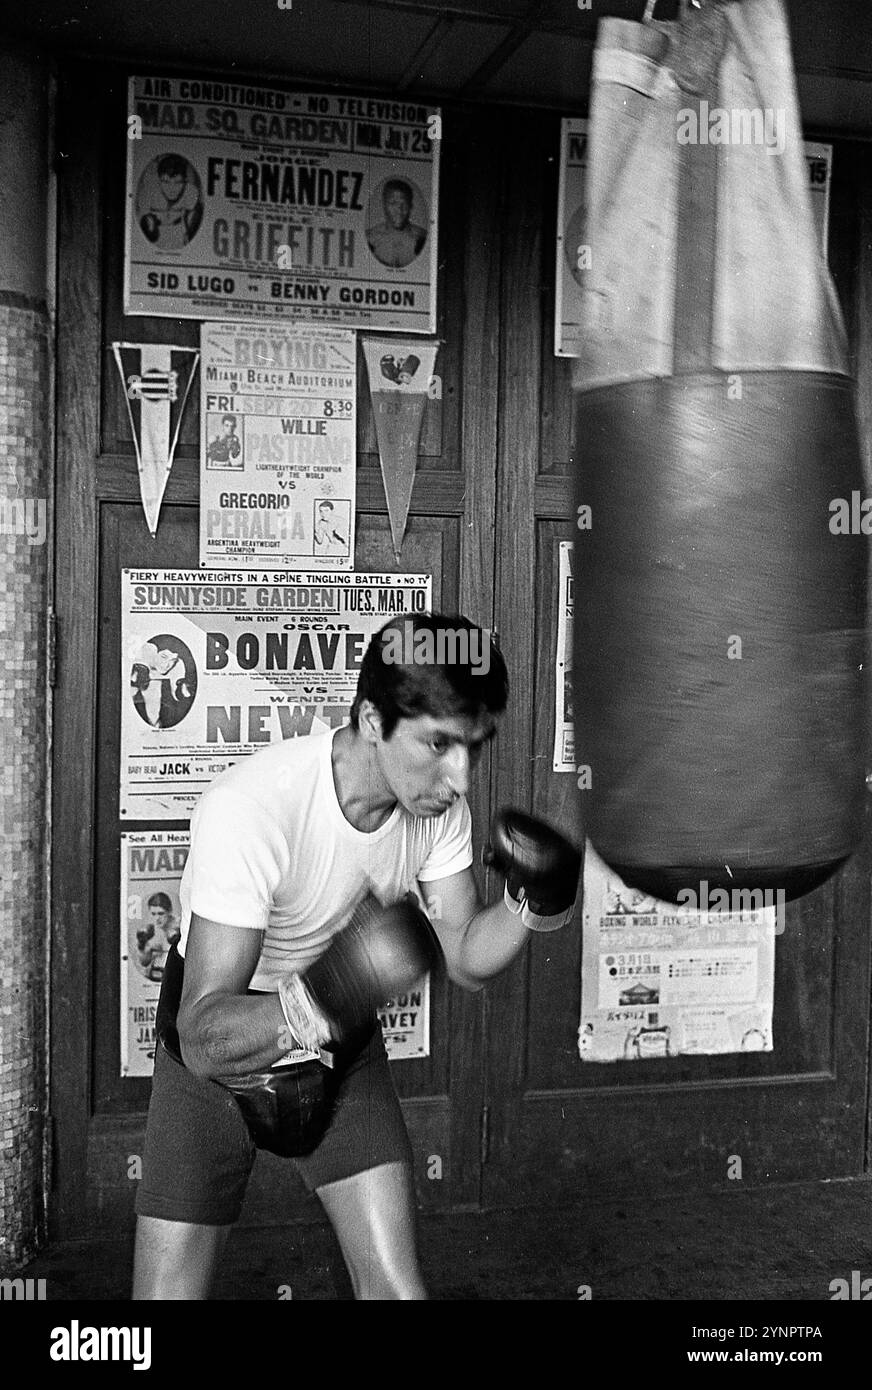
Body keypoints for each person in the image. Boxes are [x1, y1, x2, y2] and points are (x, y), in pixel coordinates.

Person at [132, 613, 580, 1300]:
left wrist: (532, 903)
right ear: (372, 719)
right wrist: (325, 995)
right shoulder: (254, 808)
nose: (459, 777)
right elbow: (202, 1038)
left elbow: (464, 955)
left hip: (339, 1054)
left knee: (397, 1292)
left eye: (473, 748)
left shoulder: (436, 813)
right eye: (438, 744)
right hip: (219, 1067)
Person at [139, 154, 203, 250]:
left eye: (178, 182)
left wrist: (188, 234)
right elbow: (142, 219)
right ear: (159, 180)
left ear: (185, 181)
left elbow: (192, 219)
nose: (171, 189)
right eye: (166, 182)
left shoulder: (191, 191)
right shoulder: (148, 191)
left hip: (179, 233)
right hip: (153, 238)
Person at [366, 179, 427, 269]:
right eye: (393, 203)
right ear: (384, 204)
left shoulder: (422, 238)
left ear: (411, 206)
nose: (399, 210)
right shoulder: (371, 239)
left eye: (404, 203)